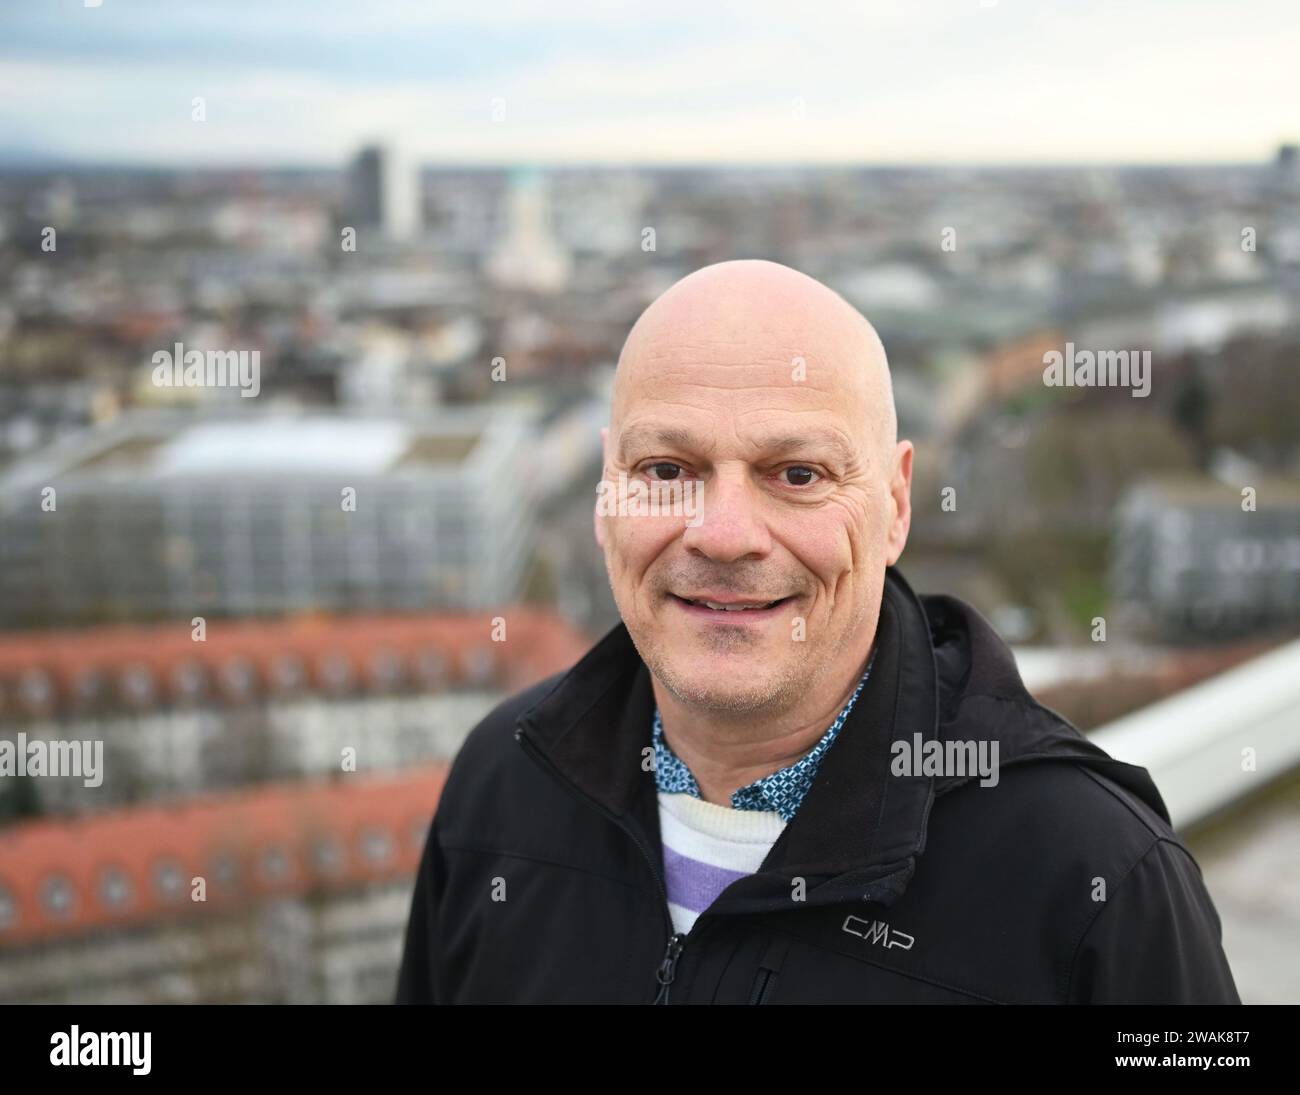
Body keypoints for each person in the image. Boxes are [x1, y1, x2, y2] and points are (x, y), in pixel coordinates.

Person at [395, 260, 1240, 1004]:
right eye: (667, 470)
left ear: (897, 504)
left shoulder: (1098, 879)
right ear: (607, 495)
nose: (723, 534)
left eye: (797, 474)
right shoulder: (499, 781)